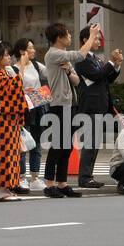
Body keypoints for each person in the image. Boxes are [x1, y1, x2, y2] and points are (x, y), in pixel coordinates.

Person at [42, 22, 97, 198]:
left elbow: (76, 81)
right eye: (68, 34)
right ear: (59, 38)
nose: (70, 37)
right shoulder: (53, 54)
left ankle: (62, 183)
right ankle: (49, 184)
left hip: (70, 103)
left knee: (66, 147)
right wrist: (92, 35)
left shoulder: (62, 57)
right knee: (57, 145)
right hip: (59, 104)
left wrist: (68, 72)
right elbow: (80, 55)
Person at [75, 26, 123, 188]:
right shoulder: (82, 59)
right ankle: (85, 177)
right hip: (90, 106)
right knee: (90, 143)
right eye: (95, 38)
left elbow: (105, 79)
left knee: (94, 143)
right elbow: (97, 75)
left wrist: (115, 65)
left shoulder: (94, 58)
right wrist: (110, 62)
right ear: (85, 40)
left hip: (98, 105)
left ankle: (88, 176)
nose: (98, 41)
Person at [0, 42, 29, 201]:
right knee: (4, 155)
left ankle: (7, 187)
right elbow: (13, 88)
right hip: (2, 121)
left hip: (10, 121)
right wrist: (22, 67)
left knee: (12, 155)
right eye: (5, 55)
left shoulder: (3, 73)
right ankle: (0, 189)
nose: (9, 57)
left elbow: (15, 89)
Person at [12, 38, 47, 192]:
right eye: (30, 48)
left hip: (37, 105)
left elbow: (49, 73)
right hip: (23, 108)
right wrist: (23, 66)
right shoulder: (13, 68)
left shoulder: (37, 65)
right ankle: (21, 177)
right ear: (22, 51)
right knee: (24, 142)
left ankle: (35, 177)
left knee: (37, 143)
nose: (33, 50)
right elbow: (16, 85)